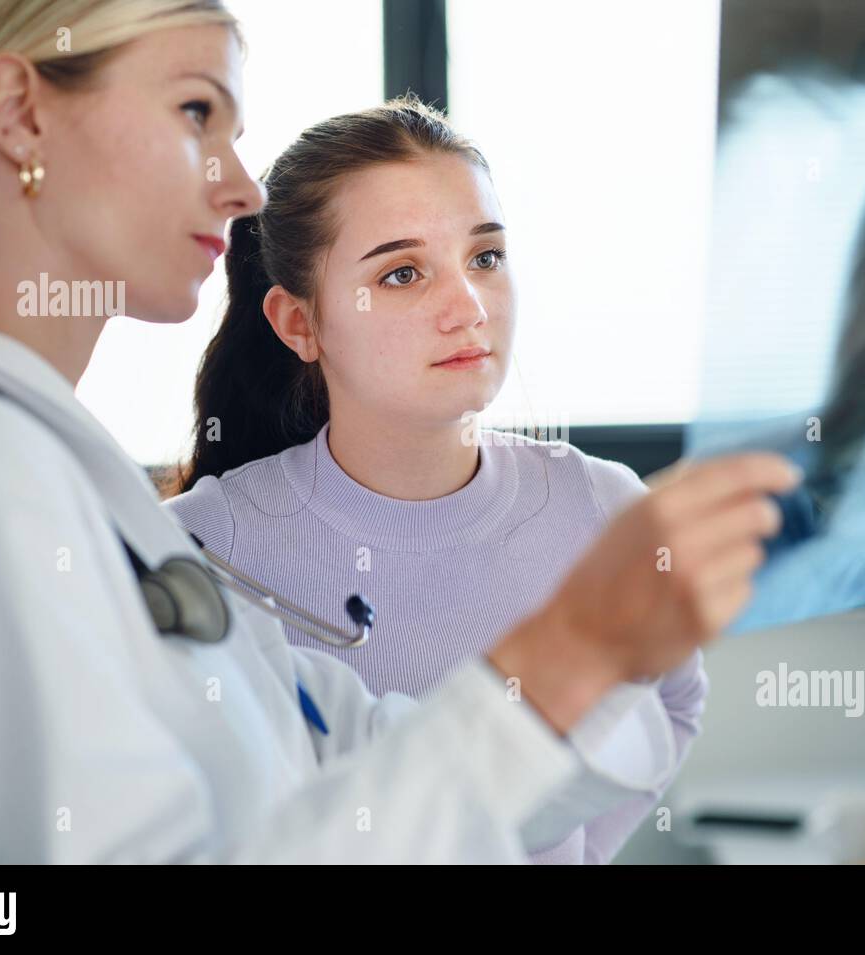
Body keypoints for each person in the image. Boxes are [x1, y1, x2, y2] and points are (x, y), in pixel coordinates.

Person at [0, 0, 798, 863]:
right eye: (197, 114)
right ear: (22, 114)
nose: (237, 187)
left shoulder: (55, 464)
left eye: (486, 254)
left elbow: (325, 750)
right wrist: (572, 653)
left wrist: (589, 657)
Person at [168, 98, 709, 864]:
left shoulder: (603, 508)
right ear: (299, 323)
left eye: (484, 257)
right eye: (402, 273)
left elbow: (676, 698)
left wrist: (572, 847)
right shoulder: (200, 547)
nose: (467, 308)